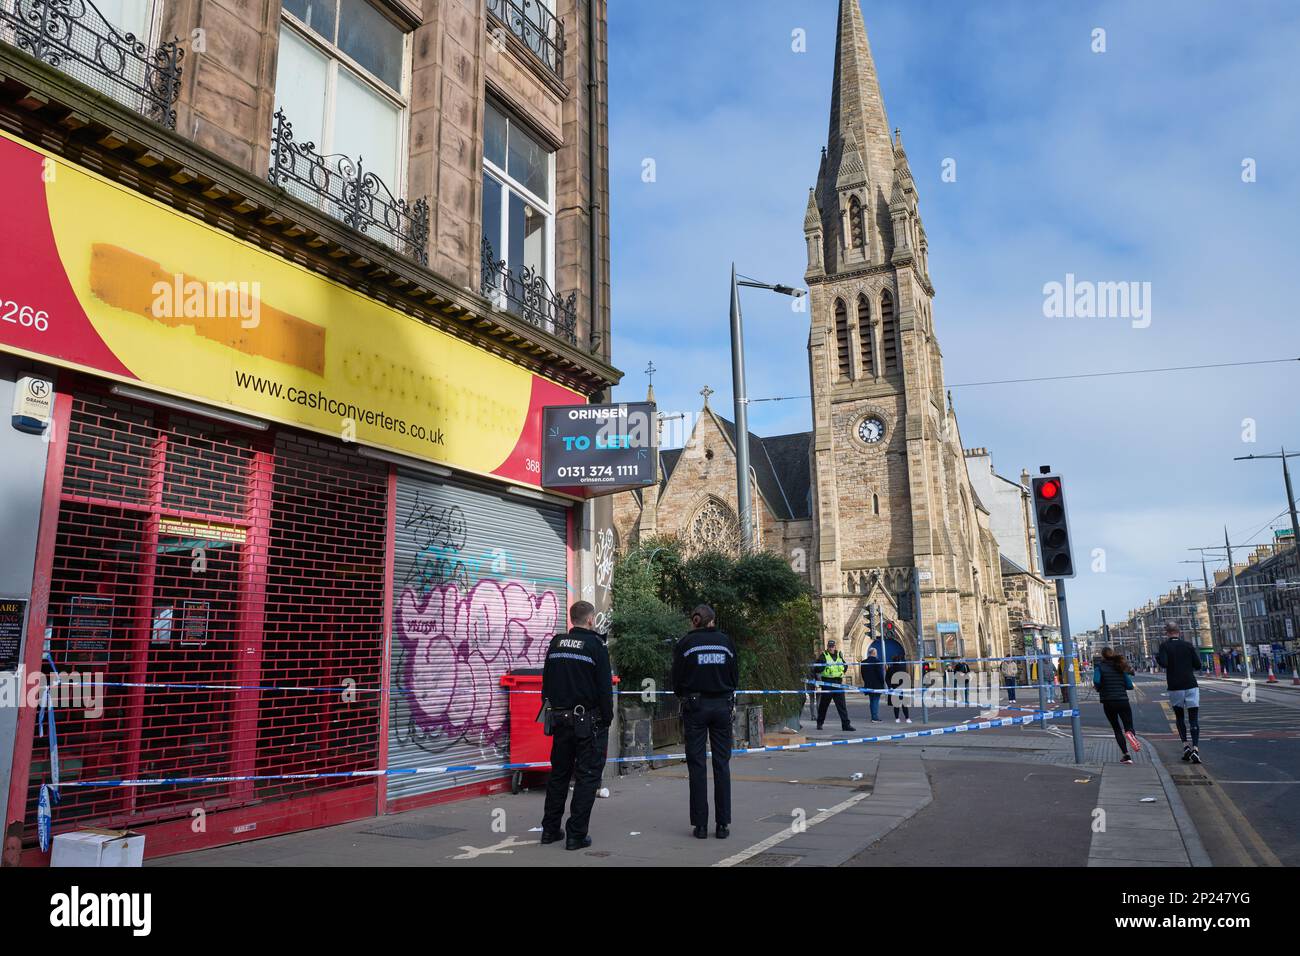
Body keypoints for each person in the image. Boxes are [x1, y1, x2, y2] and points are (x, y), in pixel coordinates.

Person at [540, 600, 613, 850]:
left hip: (560, 720)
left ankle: (549, 830)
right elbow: (605, 689)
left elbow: (546, 683)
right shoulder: (596, 646)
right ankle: (576, 835)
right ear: (590, 620)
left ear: (572, 619)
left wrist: (551, 711)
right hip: (588, 723)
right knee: (587, 776)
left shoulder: (556, 644)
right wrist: (607, 717)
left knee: (559, 775)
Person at [672, 604, 739, 839]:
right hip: (722, 706)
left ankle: (700, 825)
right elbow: (735, 676)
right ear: (713, 620)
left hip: (695, 707)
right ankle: (722, 825)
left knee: (697, 765)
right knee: (721, 765)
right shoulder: (726, 642)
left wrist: (685, 693)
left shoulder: (686, 644)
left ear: (695, 621)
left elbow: (676, 679)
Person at [1156, 622, 1203, 764]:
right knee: (1193, 718)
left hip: (1175, 686)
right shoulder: (1188, 646)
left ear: (1167, 632)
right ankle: (1195, 748)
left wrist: (1159, 657)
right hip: (1190, 684)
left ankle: (1185, 746)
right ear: (1179, 632)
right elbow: (1198, 665)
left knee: (1180, 717)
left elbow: (1164, 663)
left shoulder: (1164, 646)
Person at [1093, 647, 1140, 764]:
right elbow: (1130, 685)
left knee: (1116, 728)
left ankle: (1126, 755)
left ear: (1103, 656)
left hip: (1108, 701)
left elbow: (1097, 680)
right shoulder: (1119, 667)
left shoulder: (1099, 667)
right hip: (1122, 700)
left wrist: (1099, 687)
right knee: (1128, 725)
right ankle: (1130, 734)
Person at [814, 639, 856, 732]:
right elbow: (817, 668)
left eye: (832, 646)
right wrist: (822, 666)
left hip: (838, 683)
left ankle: (846, 725)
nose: (831, 648)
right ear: (827, 647)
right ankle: (819, 723)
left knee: (842, 706)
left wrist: (842, 671)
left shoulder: (839, 656)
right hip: (827, 683)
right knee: (824, 706)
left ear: (835, 646)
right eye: (829, 646)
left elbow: (844, 665)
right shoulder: (823, 656)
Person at [860, 647, 887, 722]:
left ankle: (873, 716)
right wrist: (883, 683)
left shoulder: (863, 662)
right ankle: (875, 718)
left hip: (868, 684)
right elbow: (880, 675)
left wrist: (866, 681)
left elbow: (862, 674)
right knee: (875, 701)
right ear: (874, 653)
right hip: (876, 685)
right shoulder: (877, 661)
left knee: (872, 701)